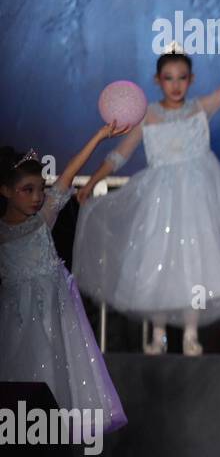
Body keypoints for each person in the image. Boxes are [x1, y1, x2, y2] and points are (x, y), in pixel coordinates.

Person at [72, 41, 220, 355]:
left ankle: (190, 333)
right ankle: (158, 334)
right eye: (169, 78)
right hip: (160, 196)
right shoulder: (147, 116)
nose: (176, 84)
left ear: (191, 79)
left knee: (195, 259)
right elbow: (119, 155)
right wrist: (91, 182)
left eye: (182, 77)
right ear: (157, 81)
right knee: (157, 256)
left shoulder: (200, 108)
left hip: (197, 198)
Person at [1, 135, 129, 441]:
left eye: (41, 189)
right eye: (27, 190)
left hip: (56, 320)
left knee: (56, 378)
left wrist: (99, 135)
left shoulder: (44, 219)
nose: (37, 197)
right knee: (19, 378)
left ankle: (47, 449)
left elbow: (71, 170)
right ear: (5, 191)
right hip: (17, 321)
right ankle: (19, 448)